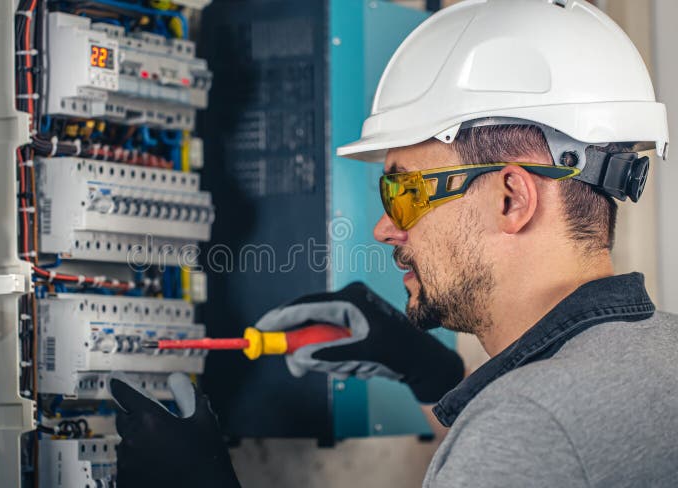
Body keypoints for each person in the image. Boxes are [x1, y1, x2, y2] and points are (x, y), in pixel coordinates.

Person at [110, 0, 678, 486]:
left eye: (405, 191)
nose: (385, 228)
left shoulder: (524, 424)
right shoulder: (662, 353)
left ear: (512, 198)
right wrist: (435, 378)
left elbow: (530, 443)